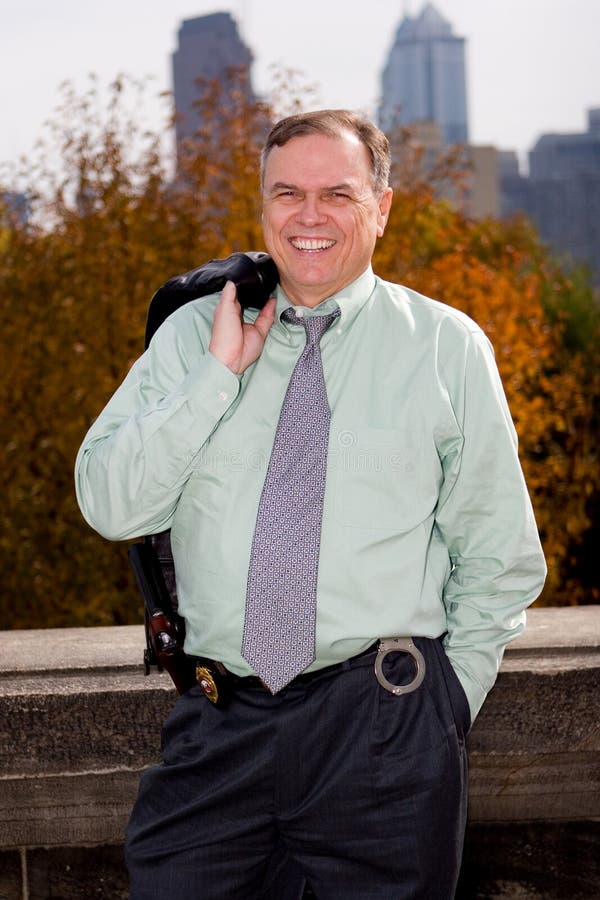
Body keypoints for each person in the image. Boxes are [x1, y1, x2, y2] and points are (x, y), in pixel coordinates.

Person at [75, 109, 546, 899]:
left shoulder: (445, 347)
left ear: (382, 207)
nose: (310, 216)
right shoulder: (195, 335)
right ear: (262, 206)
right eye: (287, 193)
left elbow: (500, 554)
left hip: (384, 733)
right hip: (218, 729)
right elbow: (110, 506)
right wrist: (216, 380)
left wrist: (443, 707)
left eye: (338, 193)